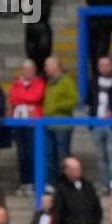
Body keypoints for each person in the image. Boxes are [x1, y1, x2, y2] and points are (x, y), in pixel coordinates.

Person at [8, 60, 46, 196]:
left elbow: (36, 96)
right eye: (26, 69)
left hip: (33, 124)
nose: (28, 72)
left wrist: (22, 97)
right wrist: (25, 98)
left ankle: (35, 182)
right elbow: (13, 98)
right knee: (22, 154)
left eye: (31, 69)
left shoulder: (40, 83)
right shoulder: (16, 83)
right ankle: (24, 182)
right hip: (18, 123)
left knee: (33, 153)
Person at [87, 56, 112, 196]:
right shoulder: (93, 82)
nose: (104, 68)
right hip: (97, 123)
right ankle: (105, 184)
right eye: (101, 65)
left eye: (107, 65)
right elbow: (89, 100)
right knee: (101, 156)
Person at [41, 57, 78, 187]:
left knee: (63, 156)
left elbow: (73, 100)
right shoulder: (49, 82)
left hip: (62, 125)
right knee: (49, 156)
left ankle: (65, 183)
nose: (45, 69)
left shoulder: (66, 81)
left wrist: (56, 106)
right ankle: (51, 183)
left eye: (47, 66)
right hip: (48, 124)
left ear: (55, 66)